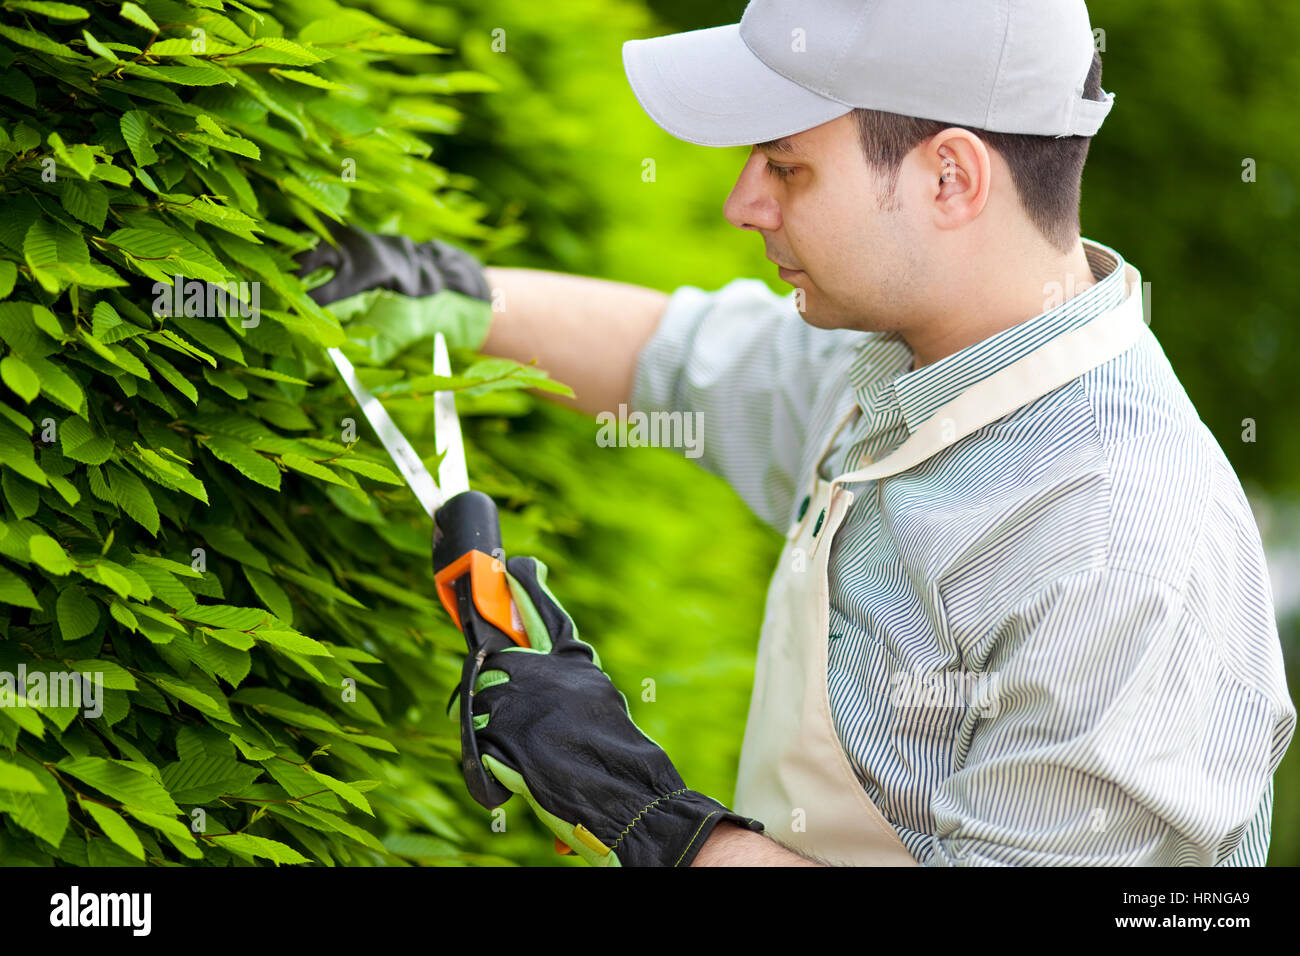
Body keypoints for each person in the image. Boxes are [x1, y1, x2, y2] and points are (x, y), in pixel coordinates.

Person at [296, 0, 1296, 867]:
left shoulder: (1119, 548)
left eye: (786, 165)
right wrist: (455, 297)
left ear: (949, 178)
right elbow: (678, 354)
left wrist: (654, 820)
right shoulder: (910, 362)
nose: (742, 202)